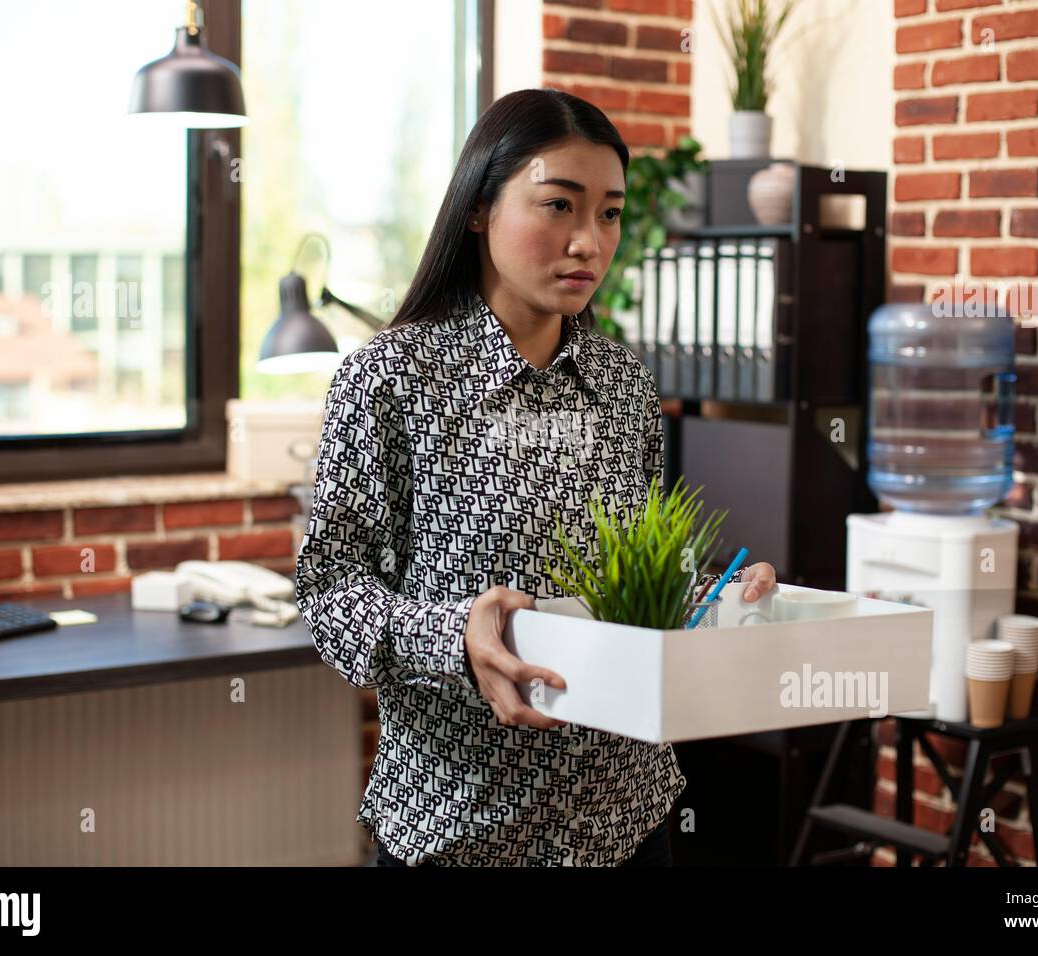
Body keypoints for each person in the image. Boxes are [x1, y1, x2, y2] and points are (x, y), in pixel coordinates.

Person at [295, 88, 777, 867]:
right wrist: (452, 633)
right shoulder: (389, 379)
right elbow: (330, 592)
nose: (589, 241)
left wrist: (717, 597)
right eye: (559, 205)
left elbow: (633, 583)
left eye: (610, 214)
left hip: (623, 821)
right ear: (480, 208)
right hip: (460, 829)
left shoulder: (624, 383)